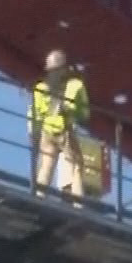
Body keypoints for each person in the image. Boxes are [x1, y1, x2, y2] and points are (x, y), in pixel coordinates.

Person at [28, 49, 90, 193]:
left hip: (47, 131)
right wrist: (72, 111)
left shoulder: (40, 88)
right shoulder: (76, 85)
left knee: (46, 166)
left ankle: (38, 197)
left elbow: (36, 115)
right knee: (76, 166)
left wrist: (33, 134)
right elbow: (84, 115)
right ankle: (78, 203)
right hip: (65, 129)